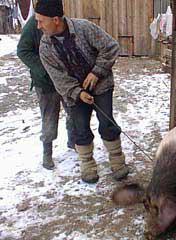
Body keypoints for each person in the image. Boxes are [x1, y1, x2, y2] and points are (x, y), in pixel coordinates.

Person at [34, 0, 129, 183]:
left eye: (40, 21)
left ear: (55, 20)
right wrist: (77, 92)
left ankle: (118, 163)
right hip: (73, 94)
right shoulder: (45, 47)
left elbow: (110, 47)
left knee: (107, 123)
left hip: (101, 86)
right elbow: (58, 77)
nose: (38, 26)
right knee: (80, 128)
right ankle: (88, 166)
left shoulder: (84, 28)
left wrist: (97, 72)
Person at [17, 14, 75, 170]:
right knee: (49, 117)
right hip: (45, 83)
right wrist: (44, 70)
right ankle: (47, 153)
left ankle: (73, 140)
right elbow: (23, 51)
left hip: (65, 78)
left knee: (73, 110)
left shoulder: (60, 20)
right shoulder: (33, 25)